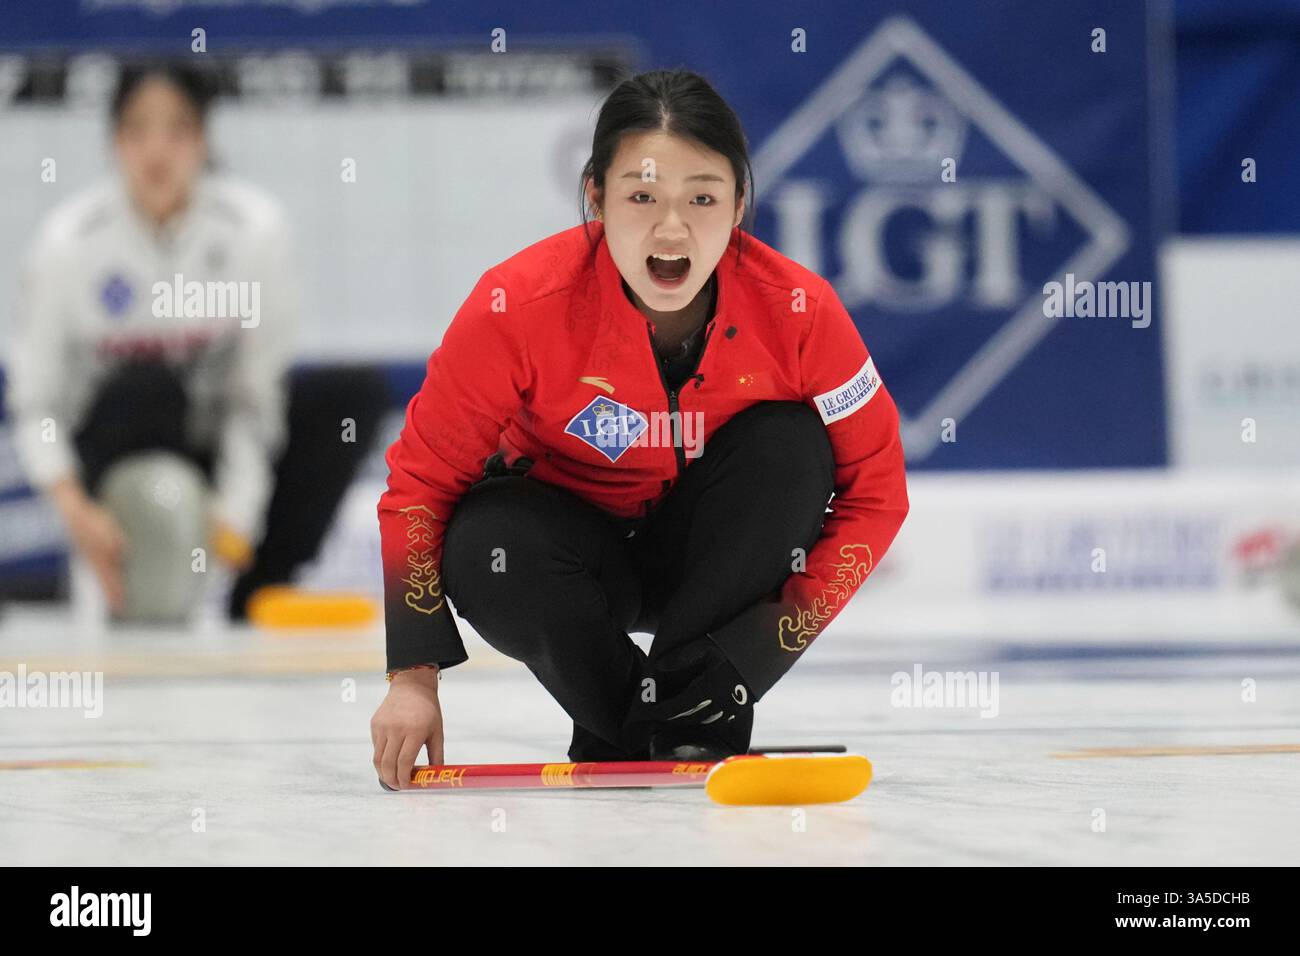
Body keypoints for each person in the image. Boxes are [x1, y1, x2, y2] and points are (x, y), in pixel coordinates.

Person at [371, 68, 909, 790]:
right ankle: (664, 728)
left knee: (790, 445)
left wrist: (760, 649)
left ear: (741, 201)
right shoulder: (515, 305)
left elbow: (877, 495)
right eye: (642, 197)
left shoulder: (803, 312)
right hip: (574, 563)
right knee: (485, 540)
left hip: (716, 560)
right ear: (595, 195)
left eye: (703, 199)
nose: (672, 228)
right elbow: (419, 487)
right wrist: (414, 678)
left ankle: (670, 713)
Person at [7, 62, 384, 624]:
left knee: (351, 395)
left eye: (177, 130)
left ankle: (257, 586)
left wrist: (236, 514)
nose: (157, 150)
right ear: (115, 142)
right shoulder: (68, 243)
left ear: (203, 139)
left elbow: (253, 400)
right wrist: (73, 508)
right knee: (151, 386)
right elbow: (37, 402)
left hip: (212, 441)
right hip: (113, 446)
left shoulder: (254, 232)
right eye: (138, 130)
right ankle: (128, 564)